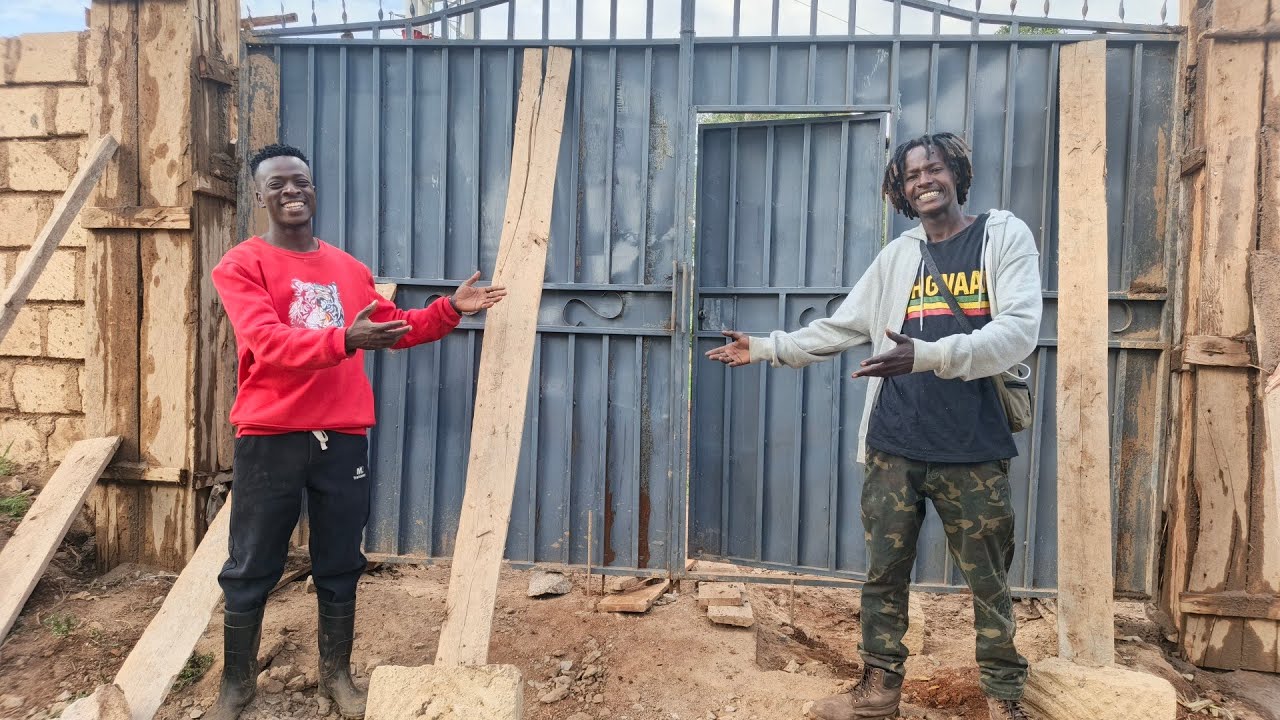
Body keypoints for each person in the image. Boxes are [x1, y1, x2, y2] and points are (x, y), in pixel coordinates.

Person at [706, 133, 1042, 720]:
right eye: (911, 176)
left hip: (974, 448)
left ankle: (1004, 698)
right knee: (884, 575)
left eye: (933, 169)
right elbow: (840, 329)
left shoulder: (1003, 236)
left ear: (958, 174)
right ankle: (879, 688)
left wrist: (929, 355)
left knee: (989, 579)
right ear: (902, 192)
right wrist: (765, 346)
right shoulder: (898, 258)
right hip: (895, 446)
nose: (923, 181)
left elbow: (1017, 332)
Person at [207, 143, 507, 720]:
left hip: (342, 436)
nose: (291, 192)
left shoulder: (348, 268)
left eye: (300, 182)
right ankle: (237, 686)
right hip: (271, 432)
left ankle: (336, 678)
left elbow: (393, 328)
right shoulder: (242, 264)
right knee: (251, 563)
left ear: (314, 188)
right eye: (278, 185)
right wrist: (344, 340)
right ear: (261, 195)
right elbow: (266, 341)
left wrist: (449, 309)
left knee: (341, 559)